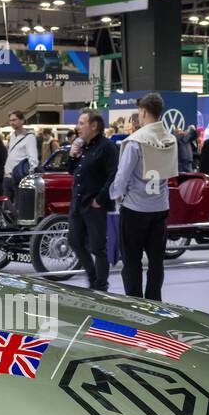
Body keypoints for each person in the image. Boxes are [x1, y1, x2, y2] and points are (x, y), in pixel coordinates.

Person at [111, 92, 178, 301]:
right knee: (156, 262)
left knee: (132, 262)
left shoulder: (135, 141)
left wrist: (117, 197)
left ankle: (135, 304)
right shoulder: (170, 139)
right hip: (159, 207)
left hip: (135, 209)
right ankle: (154, 302)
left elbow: (122, 177)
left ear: (142, 112)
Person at [64, 110, 118, 292]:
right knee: (75, 241)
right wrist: (72, 155)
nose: (77, 127)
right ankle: (93, 277)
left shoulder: (107, 147)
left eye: (81, 123)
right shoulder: (83, 146)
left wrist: (100, 199)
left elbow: (114, 176)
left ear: (93, 126)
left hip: (95, 205)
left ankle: (101, 286)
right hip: (78, 203)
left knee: (98, 248)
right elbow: (71, 171)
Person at [2, 111, 38, 202]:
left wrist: (25, 176)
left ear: (22, 121)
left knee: (19, 208)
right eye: (10, 120)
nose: (12, 123)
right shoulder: (12, 136)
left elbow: (33, 160)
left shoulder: (29, 137)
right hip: (7, 177)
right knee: (7, 208)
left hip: (19, 178)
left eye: (14, 120)